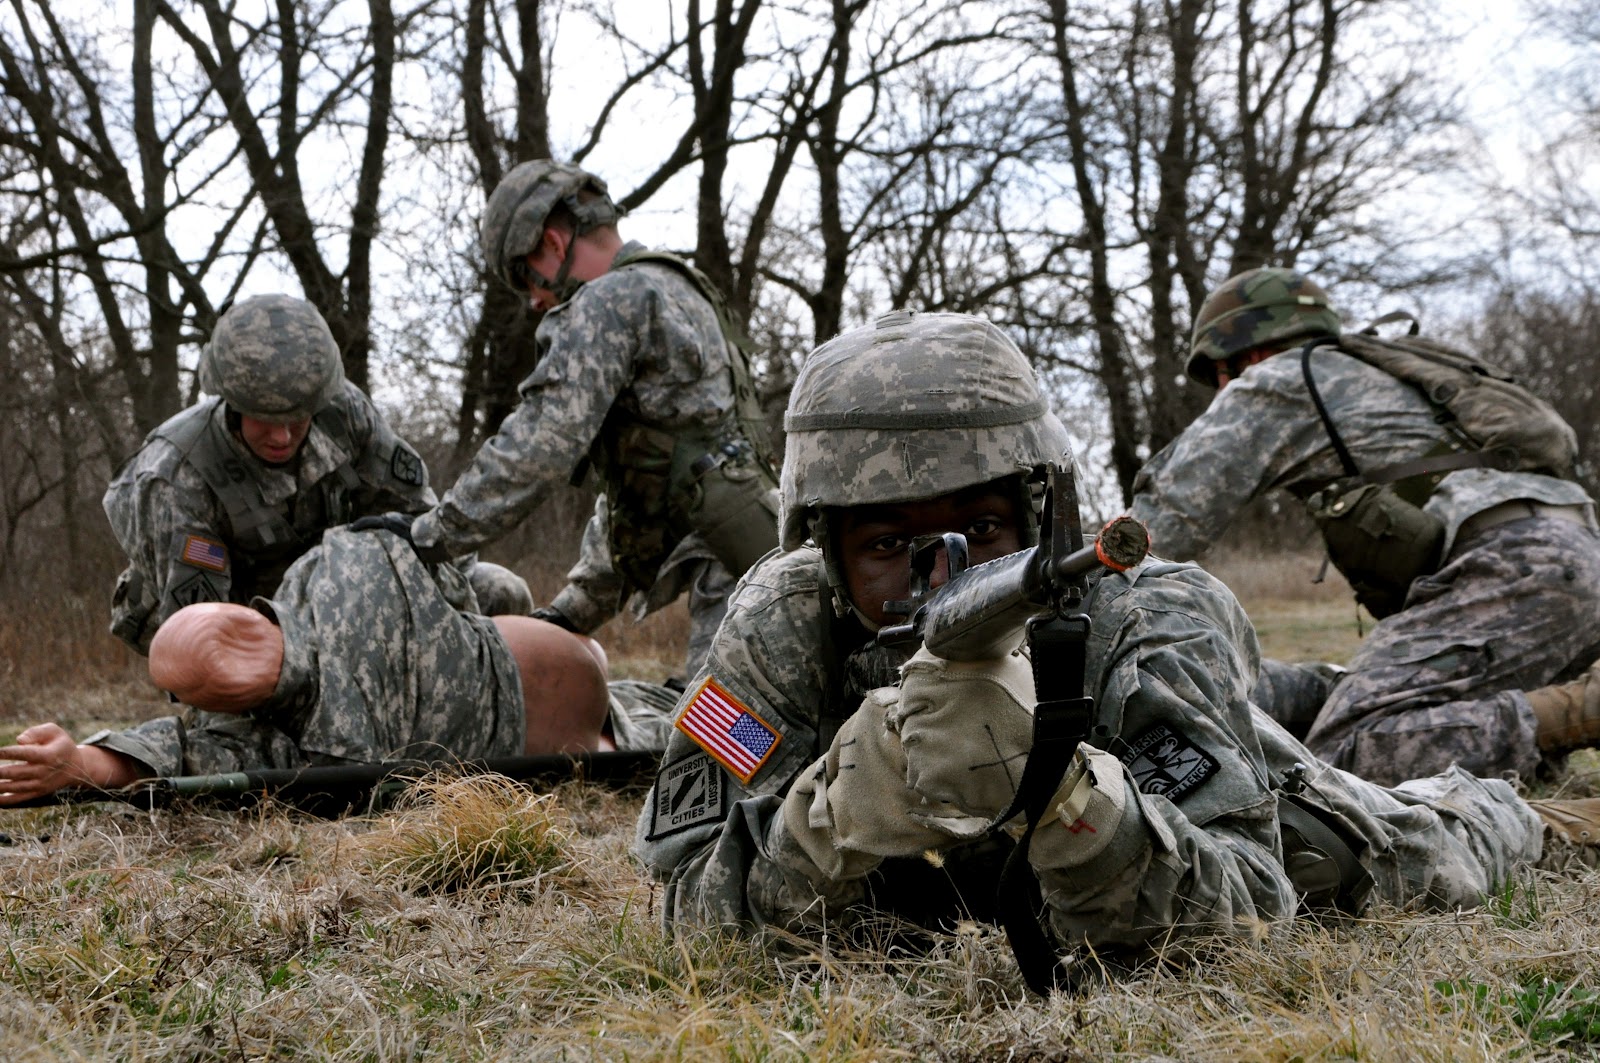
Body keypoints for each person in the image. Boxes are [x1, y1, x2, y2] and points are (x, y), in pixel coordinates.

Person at [634, 309, 1599, 967]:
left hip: (1160, 775)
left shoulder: (1148, 610)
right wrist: (823, 821)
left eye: (983, 531)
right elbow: (681, 909)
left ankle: (1519, 809)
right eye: (887, 543)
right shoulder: (782, 620)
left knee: (1376, 846)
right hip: (924, 876)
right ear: (824, 546)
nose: (941, 575)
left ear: (1043, 512)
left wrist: (1072, 802)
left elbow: (1251, 905)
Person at [1128, 268, 1600, 786]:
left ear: (1248, 351)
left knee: (1347, 755)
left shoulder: (1278, 380)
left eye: (1221, 371)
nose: (1223, 388)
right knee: (1425, 717)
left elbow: (1159, 525)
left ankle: (1584, 706)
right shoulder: (1386, 372)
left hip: (1506, 566)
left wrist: (1073, 586)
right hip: (1573, 552)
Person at [406, 160, 779, 679]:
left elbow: (538, 448)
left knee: (721, 751)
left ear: (554, 244)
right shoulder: (677, 285)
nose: (535, 300)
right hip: (765, 562)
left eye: (525, 277)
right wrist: (575, 609)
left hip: (735, 583)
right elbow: (655, 481)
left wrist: (431, 536)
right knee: (735, 740)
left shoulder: (607, 301)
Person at [0, 525, 670, 805]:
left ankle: (751, 733)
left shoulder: (329, 569)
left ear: (255, 612)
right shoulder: (277, 736)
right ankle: (756, 741)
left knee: (694, 705)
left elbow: (444, 557)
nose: (249, 657)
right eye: (231, 671)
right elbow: (169, 752)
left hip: (570, 668)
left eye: (241, 636)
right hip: (589, 731)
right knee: (698, 724)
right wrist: (77, 766)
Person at [105, 294, 531, 655]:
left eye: (299, 418)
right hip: (240, 616)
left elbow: (425, 527)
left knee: (500, 592)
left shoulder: (343, 412)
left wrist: (457, 625)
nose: (283, 436)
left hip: (333, 592)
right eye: (264, 419)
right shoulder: (177, 476)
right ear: (231, 403)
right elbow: (198, 636)